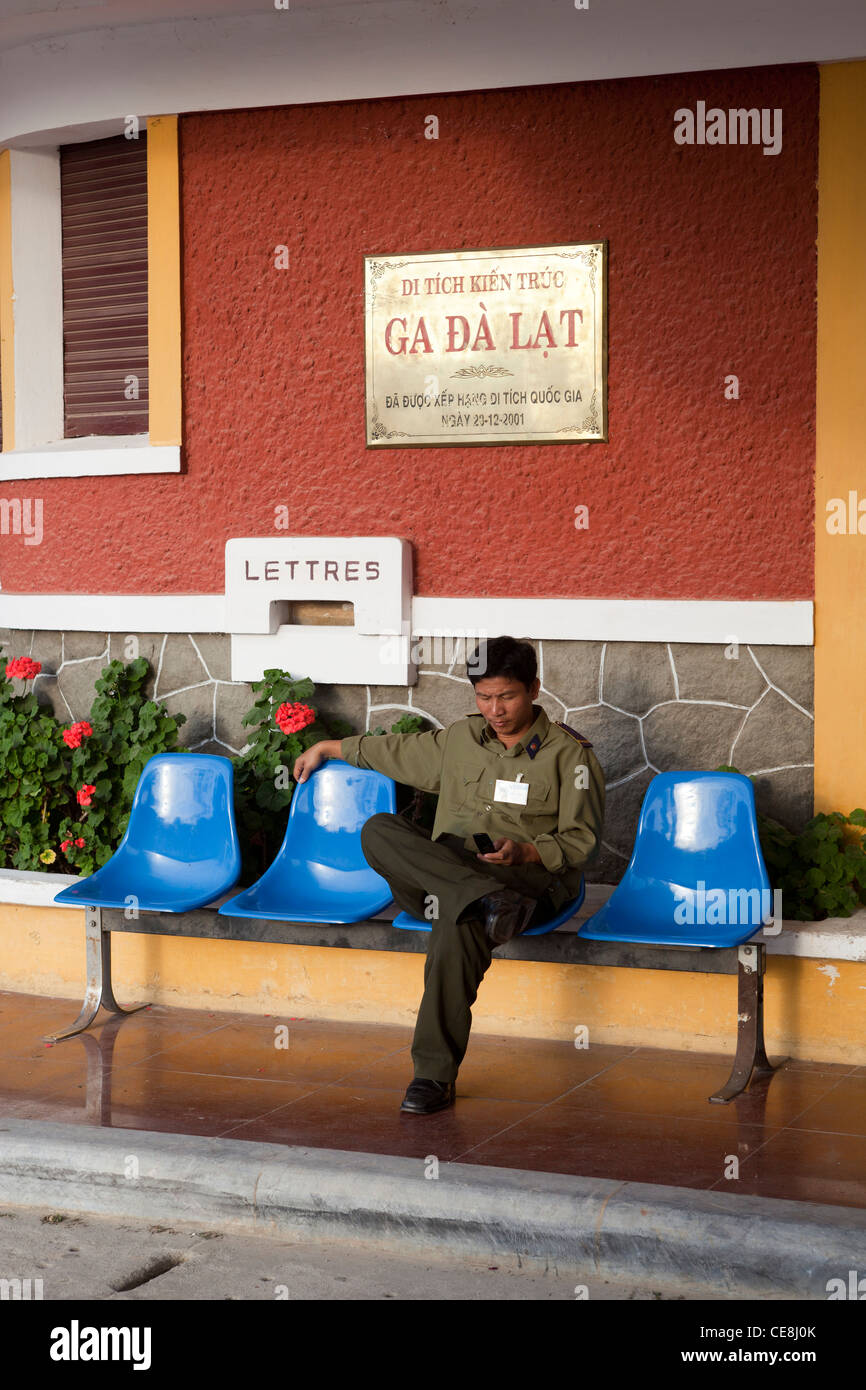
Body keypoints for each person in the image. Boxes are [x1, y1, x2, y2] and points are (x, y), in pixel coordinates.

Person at [292, 635, 605, 1115]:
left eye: (507, 696)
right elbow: (394, 751)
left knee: (457, 925)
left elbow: (581, 843)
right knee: (379, 830)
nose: (495, 709)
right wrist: (329, 747)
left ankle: (432, 1077)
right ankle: (482, 899)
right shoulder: (459, 739)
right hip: (449, 875)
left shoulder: (570, 755)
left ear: (535, 689)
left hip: (524, 883)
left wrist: (523, 850)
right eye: (483, 696)